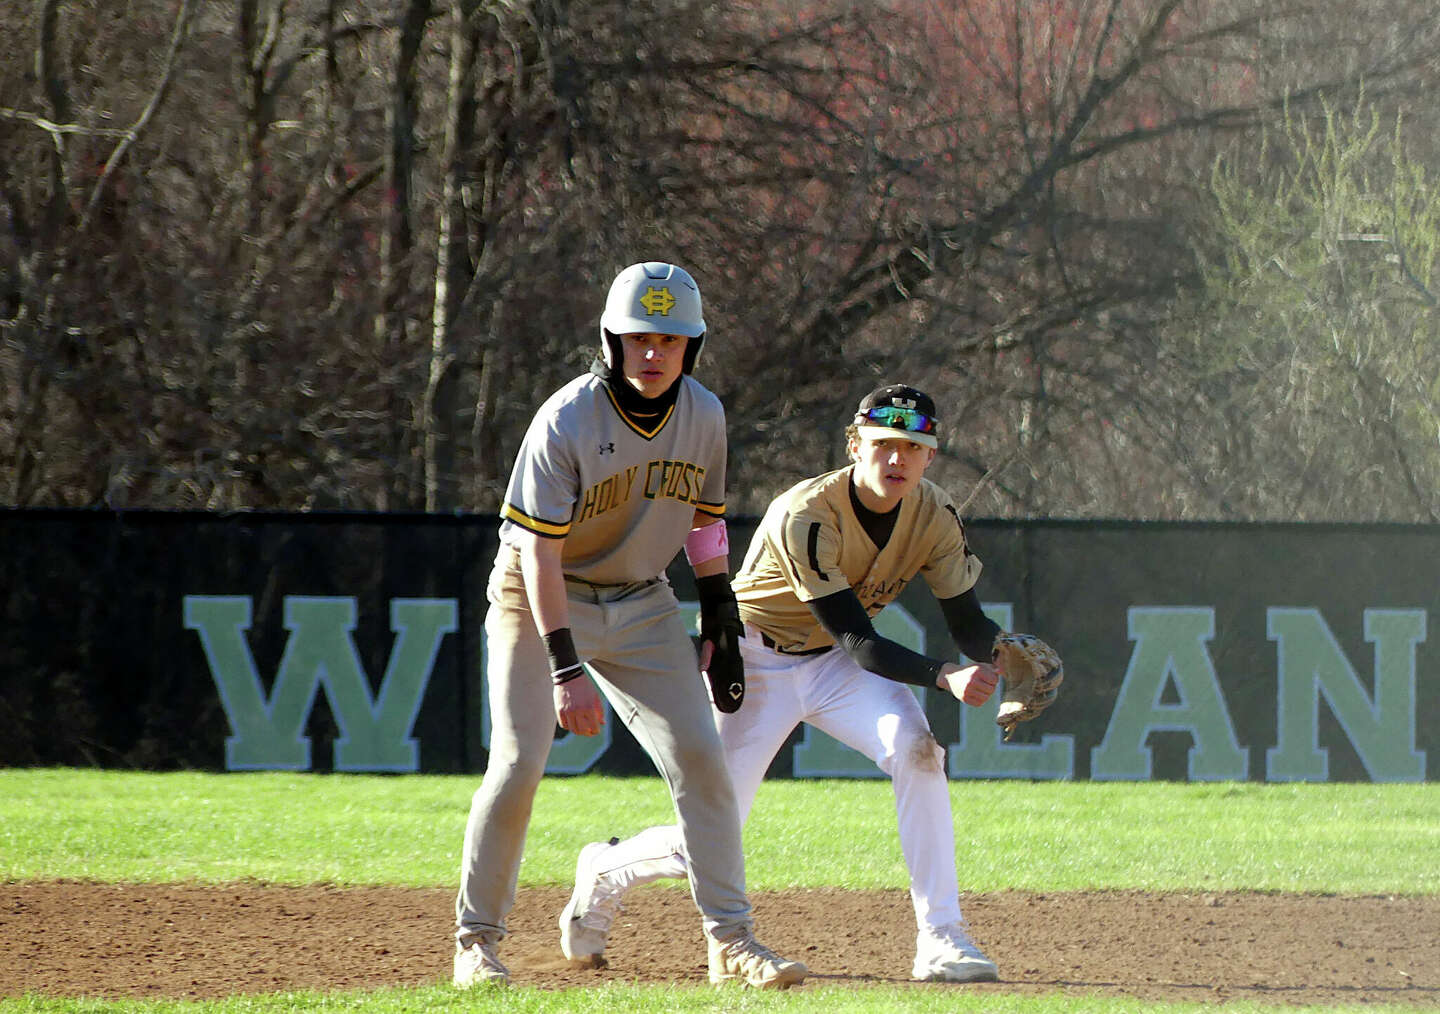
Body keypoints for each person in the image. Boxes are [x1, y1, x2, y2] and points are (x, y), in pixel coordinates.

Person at [558, 384, 1009, 983]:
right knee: (713, 832)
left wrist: (1006, 653)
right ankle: (609, 867)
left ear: (932, 454)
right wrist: (944, 675)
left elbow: (967, 621)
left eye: (912, 446)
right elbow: (862, 641)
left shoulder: (935, 513)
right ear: (855, 445)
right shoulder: (807, 513)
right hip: (754, 658)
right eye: (883, 445)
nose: (896, 458)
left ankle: (941, 938)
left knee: (919, 752)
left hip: (833, 667)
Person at [453, 262, 806, 991]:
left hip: (642, 598)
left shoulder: (704, 414)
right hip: (540, 598)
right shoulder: (568, 418)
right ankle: (476, 942)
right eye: (640, 337)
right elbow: (538, 556)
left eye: (671, 340)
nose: (654, 353)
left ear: (692, 349)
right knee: (520, 764)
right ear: (612, 341)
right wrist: (564, 668)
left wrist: (718, 610)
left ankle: (731, 941)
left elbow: (706, 521)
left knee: (703, 760)